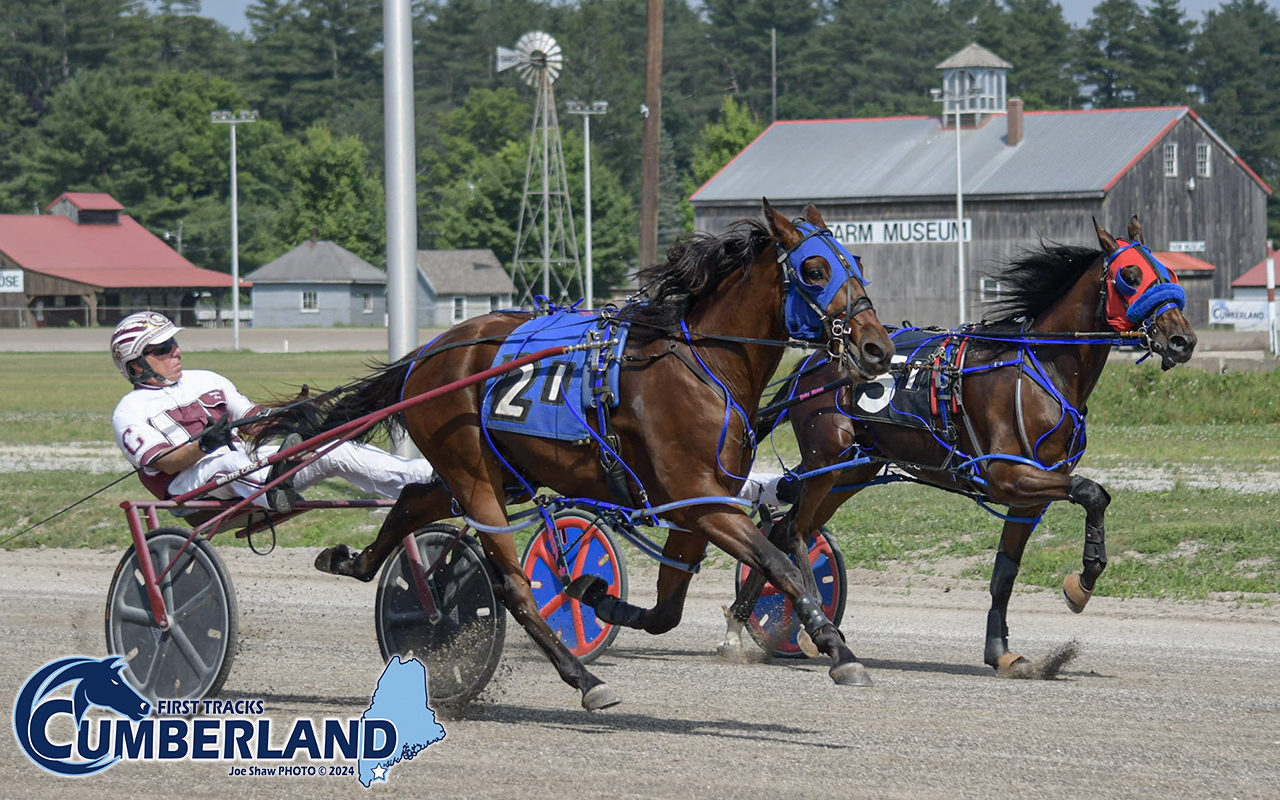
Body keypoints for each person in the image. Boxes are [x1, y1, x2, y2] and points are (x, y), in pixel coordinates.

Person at [109, 311, 436, 513]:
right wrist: (206, 444)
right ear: (136, 363)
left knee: (333, 449)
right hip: (190, 486)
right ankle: (271, 491)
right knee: (227, 460)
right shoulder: (129, 412)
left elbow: (255, 421)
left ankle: (425, 479)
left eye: (174, 343)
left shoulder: (208, 380)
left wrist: (297, 412)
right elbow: (164, 462)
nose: (177, 351)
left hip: (252, 472)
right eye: (164, 348)